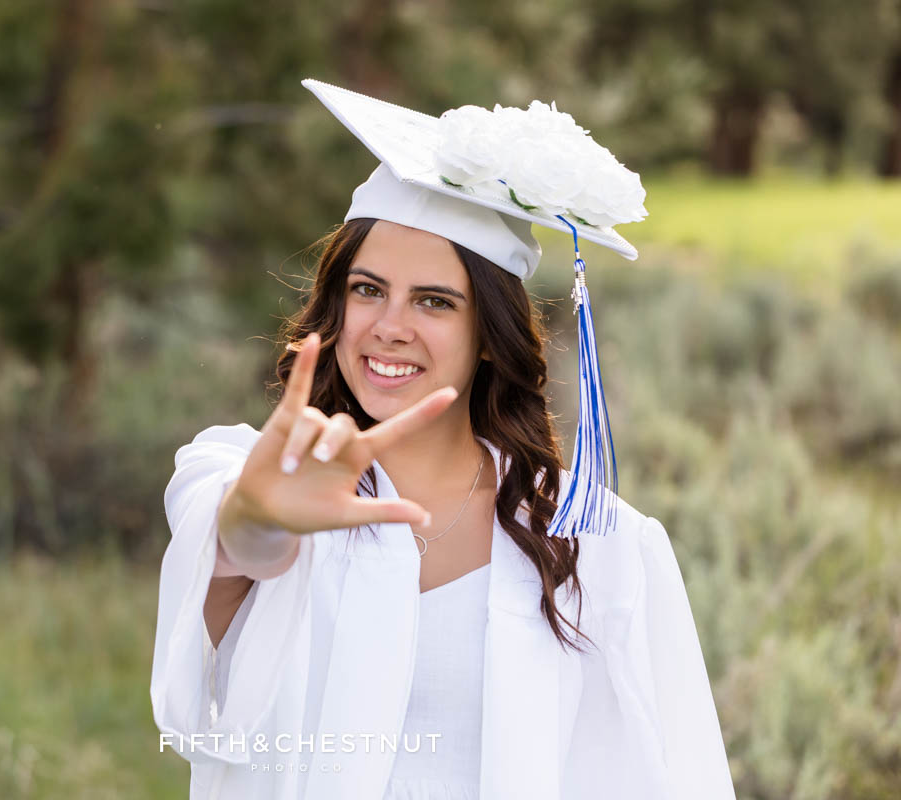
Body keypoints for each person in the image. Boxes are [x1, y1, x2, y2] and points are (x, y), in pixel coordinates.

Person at [151, 79, 736, 800]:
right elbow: (238, 541)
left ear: (489, 336)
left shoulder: (596, 544)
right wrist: (262, 518)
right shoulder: (241, 471)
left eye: (434, 301)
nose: (389, 325)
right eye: (367, 290)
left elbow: (670, 773)